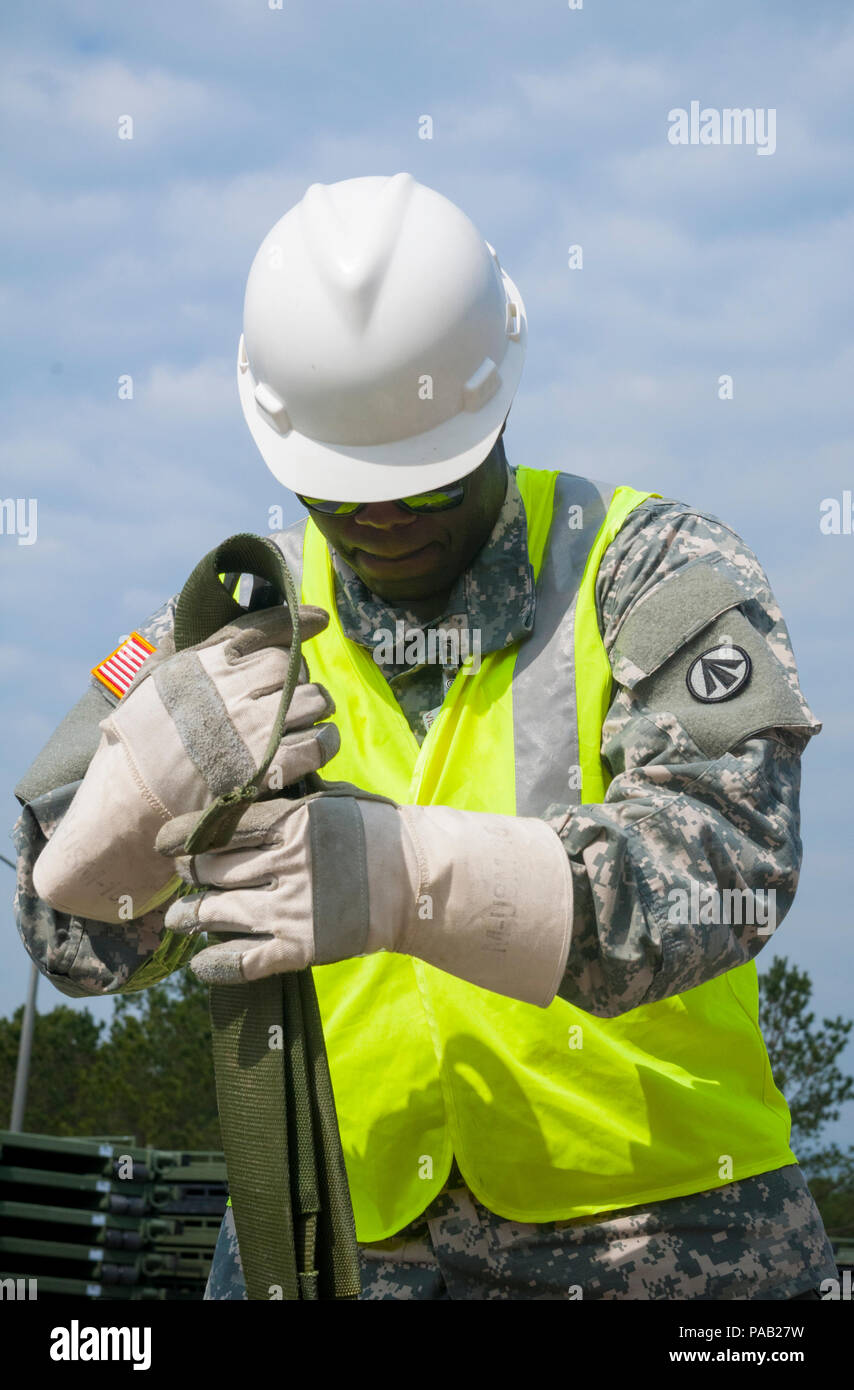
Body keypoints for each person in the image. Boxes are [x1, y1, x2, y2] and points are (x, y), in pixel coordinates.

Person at [12, 173, 838, 1301]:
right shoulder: (231, 628)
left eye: (418, 482)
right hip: (328, 1240)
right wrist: (120, 837)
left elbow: (726, 864)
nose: (382, 520)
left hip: (666, 1248)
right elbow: (63, 931)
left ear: (495, 402)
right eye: (342, 495)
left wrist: (405, 878)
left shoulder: (648, 567)